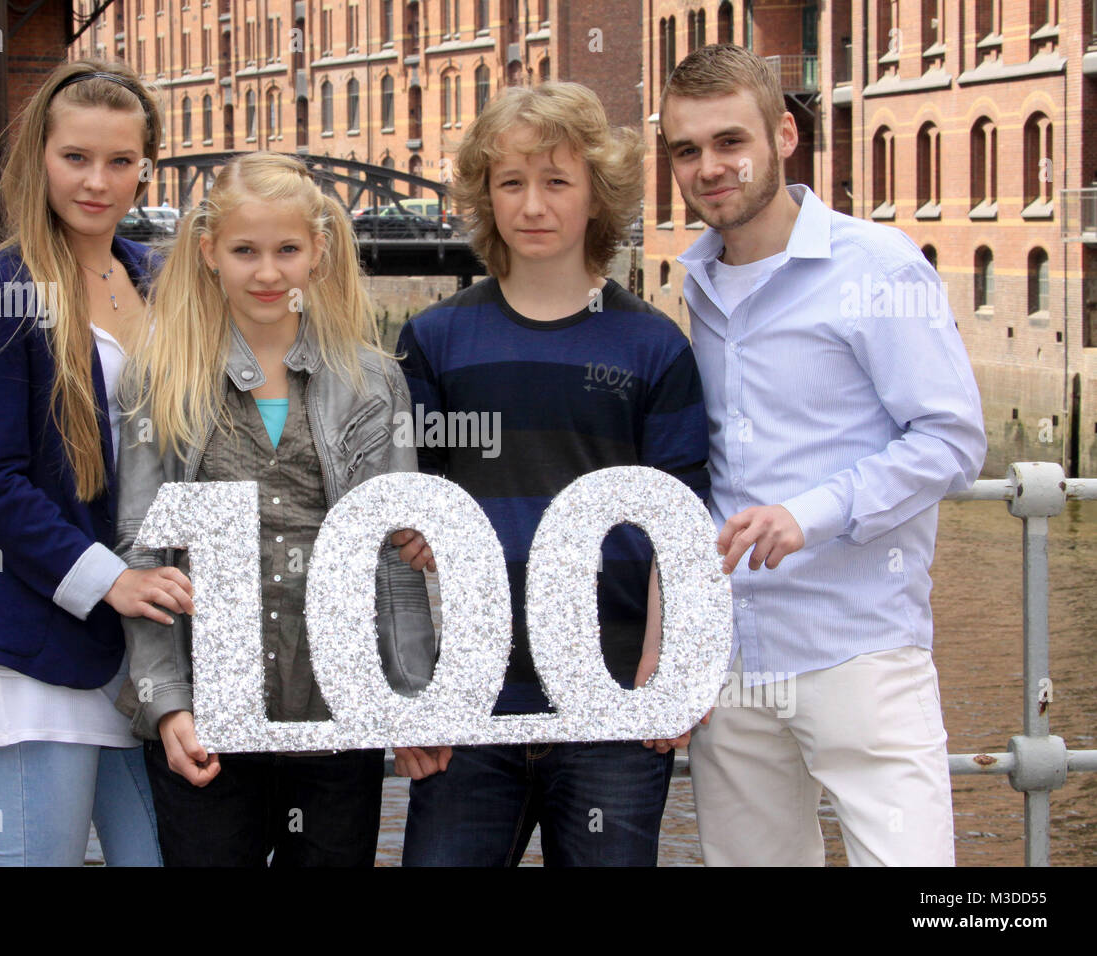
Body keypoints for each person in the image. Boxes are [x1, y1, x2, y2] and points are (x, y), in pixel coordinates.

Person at [660, 43, 987, 866]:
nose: (710, 168)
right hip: (733, 659)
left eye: (730, 142)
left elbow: (951, 440)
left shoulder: (876, 265)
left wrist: (810, 515)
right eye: (687, 150)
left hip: (859, 646)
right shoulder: (694, 281)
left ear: (783, 135)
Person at [392, 82, 710, 867]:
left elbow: (682, 523)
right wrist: (410, 691)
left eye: (557, 182)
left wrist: (668, 667)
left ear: (596, 198)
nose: (533, 205)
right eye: (511, 183)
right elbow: (404, 511)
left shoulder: (652, 348)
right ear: (484, 197)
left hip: (612, 691)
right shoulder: (435, 340)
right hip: (473, 694)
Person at [114, 151, 437, 867]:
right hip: (210, 709)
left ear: (318, 252)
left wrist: (412, 695)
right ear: (209, 254)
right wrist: (168, 703)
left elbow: (392, 558)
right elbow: (143, 553)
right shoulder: (162, 379)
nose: (267, 273)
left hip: (333, 707)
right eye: (244, 251)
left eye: (287, 249)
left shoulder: (372, 381)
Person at [0, 60, 190, 866]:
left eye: (120, 161)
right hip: (39, 651)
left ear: (145, 165)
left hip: (144, 654)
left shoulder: (158, 280)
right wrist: (108, 580)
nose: (97, 181)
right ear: (39, 160)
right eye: (75, 158)